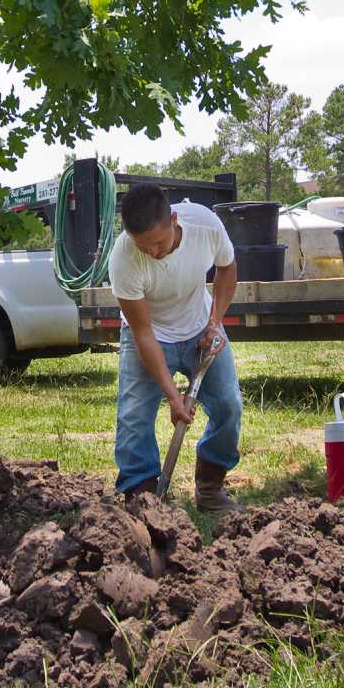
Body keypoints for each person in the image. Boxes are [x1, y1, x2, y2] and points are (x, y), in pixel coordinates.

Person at [107, 183, 242, 511]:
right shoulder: (123, 257)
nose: (153, 253)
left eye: (158, 243)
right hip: (152, 334)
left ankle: (210, 487)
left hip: (200, 326)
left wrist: (215, 321)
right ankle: (141, 495)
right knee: (134, 416)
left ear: (175, 220)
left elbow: (227, 269)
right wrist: (172, 396)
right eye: (144, 247)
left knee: (228, 404)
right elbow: (143, 332)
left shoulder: (205, 226)